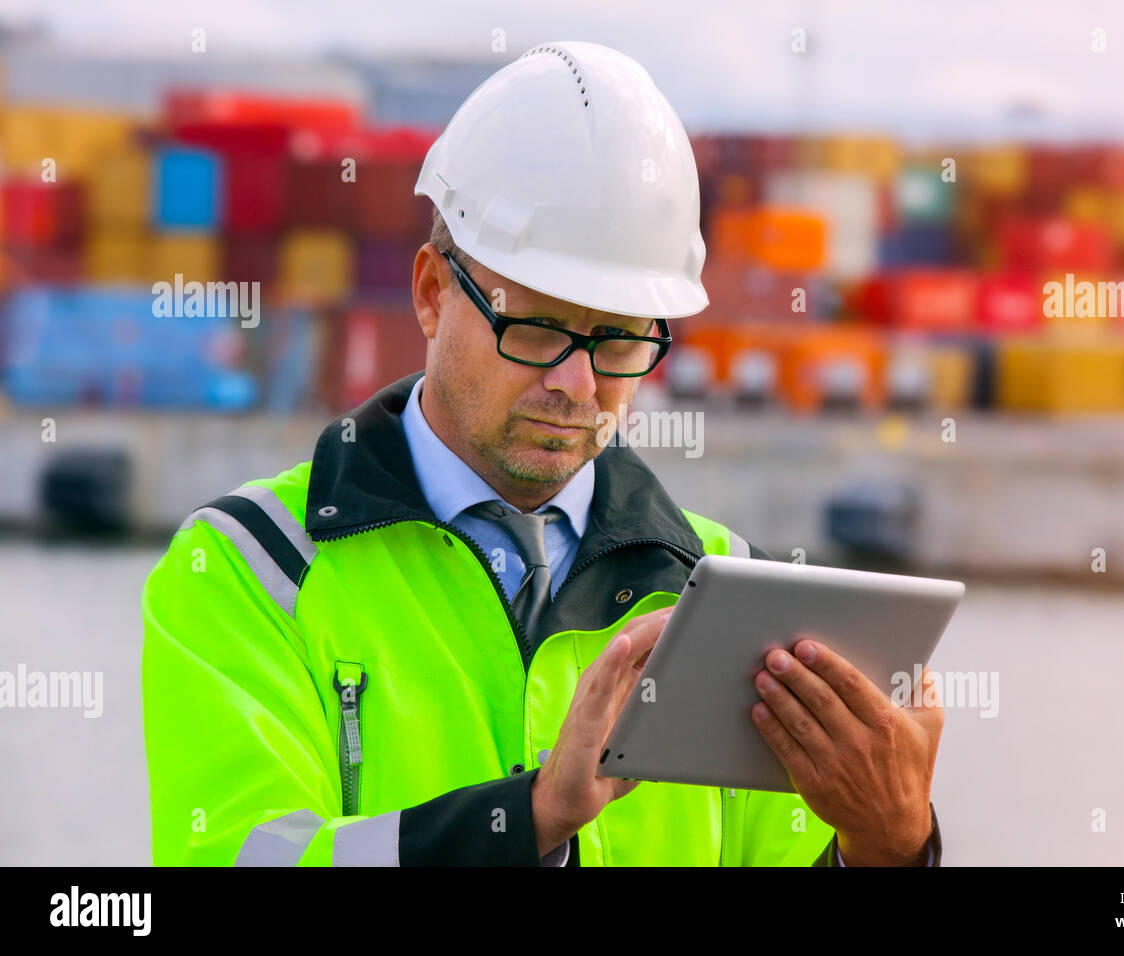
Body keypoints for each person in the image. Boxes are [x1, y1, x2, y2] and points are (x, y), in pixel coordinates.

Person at [140, 40, 944, 866]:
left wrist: (887, 845)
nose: (576, 384)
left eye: (620, 341)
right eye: (534, 327)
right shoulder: (249, 573)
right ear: (429, 292)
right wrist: (522, 822)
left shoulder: (733, 596)